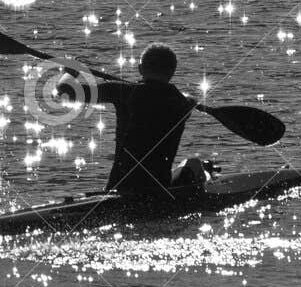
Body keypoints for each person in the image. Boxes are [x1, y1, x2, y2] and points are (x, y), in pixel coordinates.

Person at [56, 43, 211, 195]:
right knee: (195, 164)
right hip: (158, 190)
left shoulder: (123, 92)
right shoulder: (184, 103)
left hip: (120, 188)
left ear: (140, 69)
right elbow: (165, 96)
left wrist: (70, 72)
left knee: (193, 164)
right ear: (172, 71)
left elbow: (65, 91)